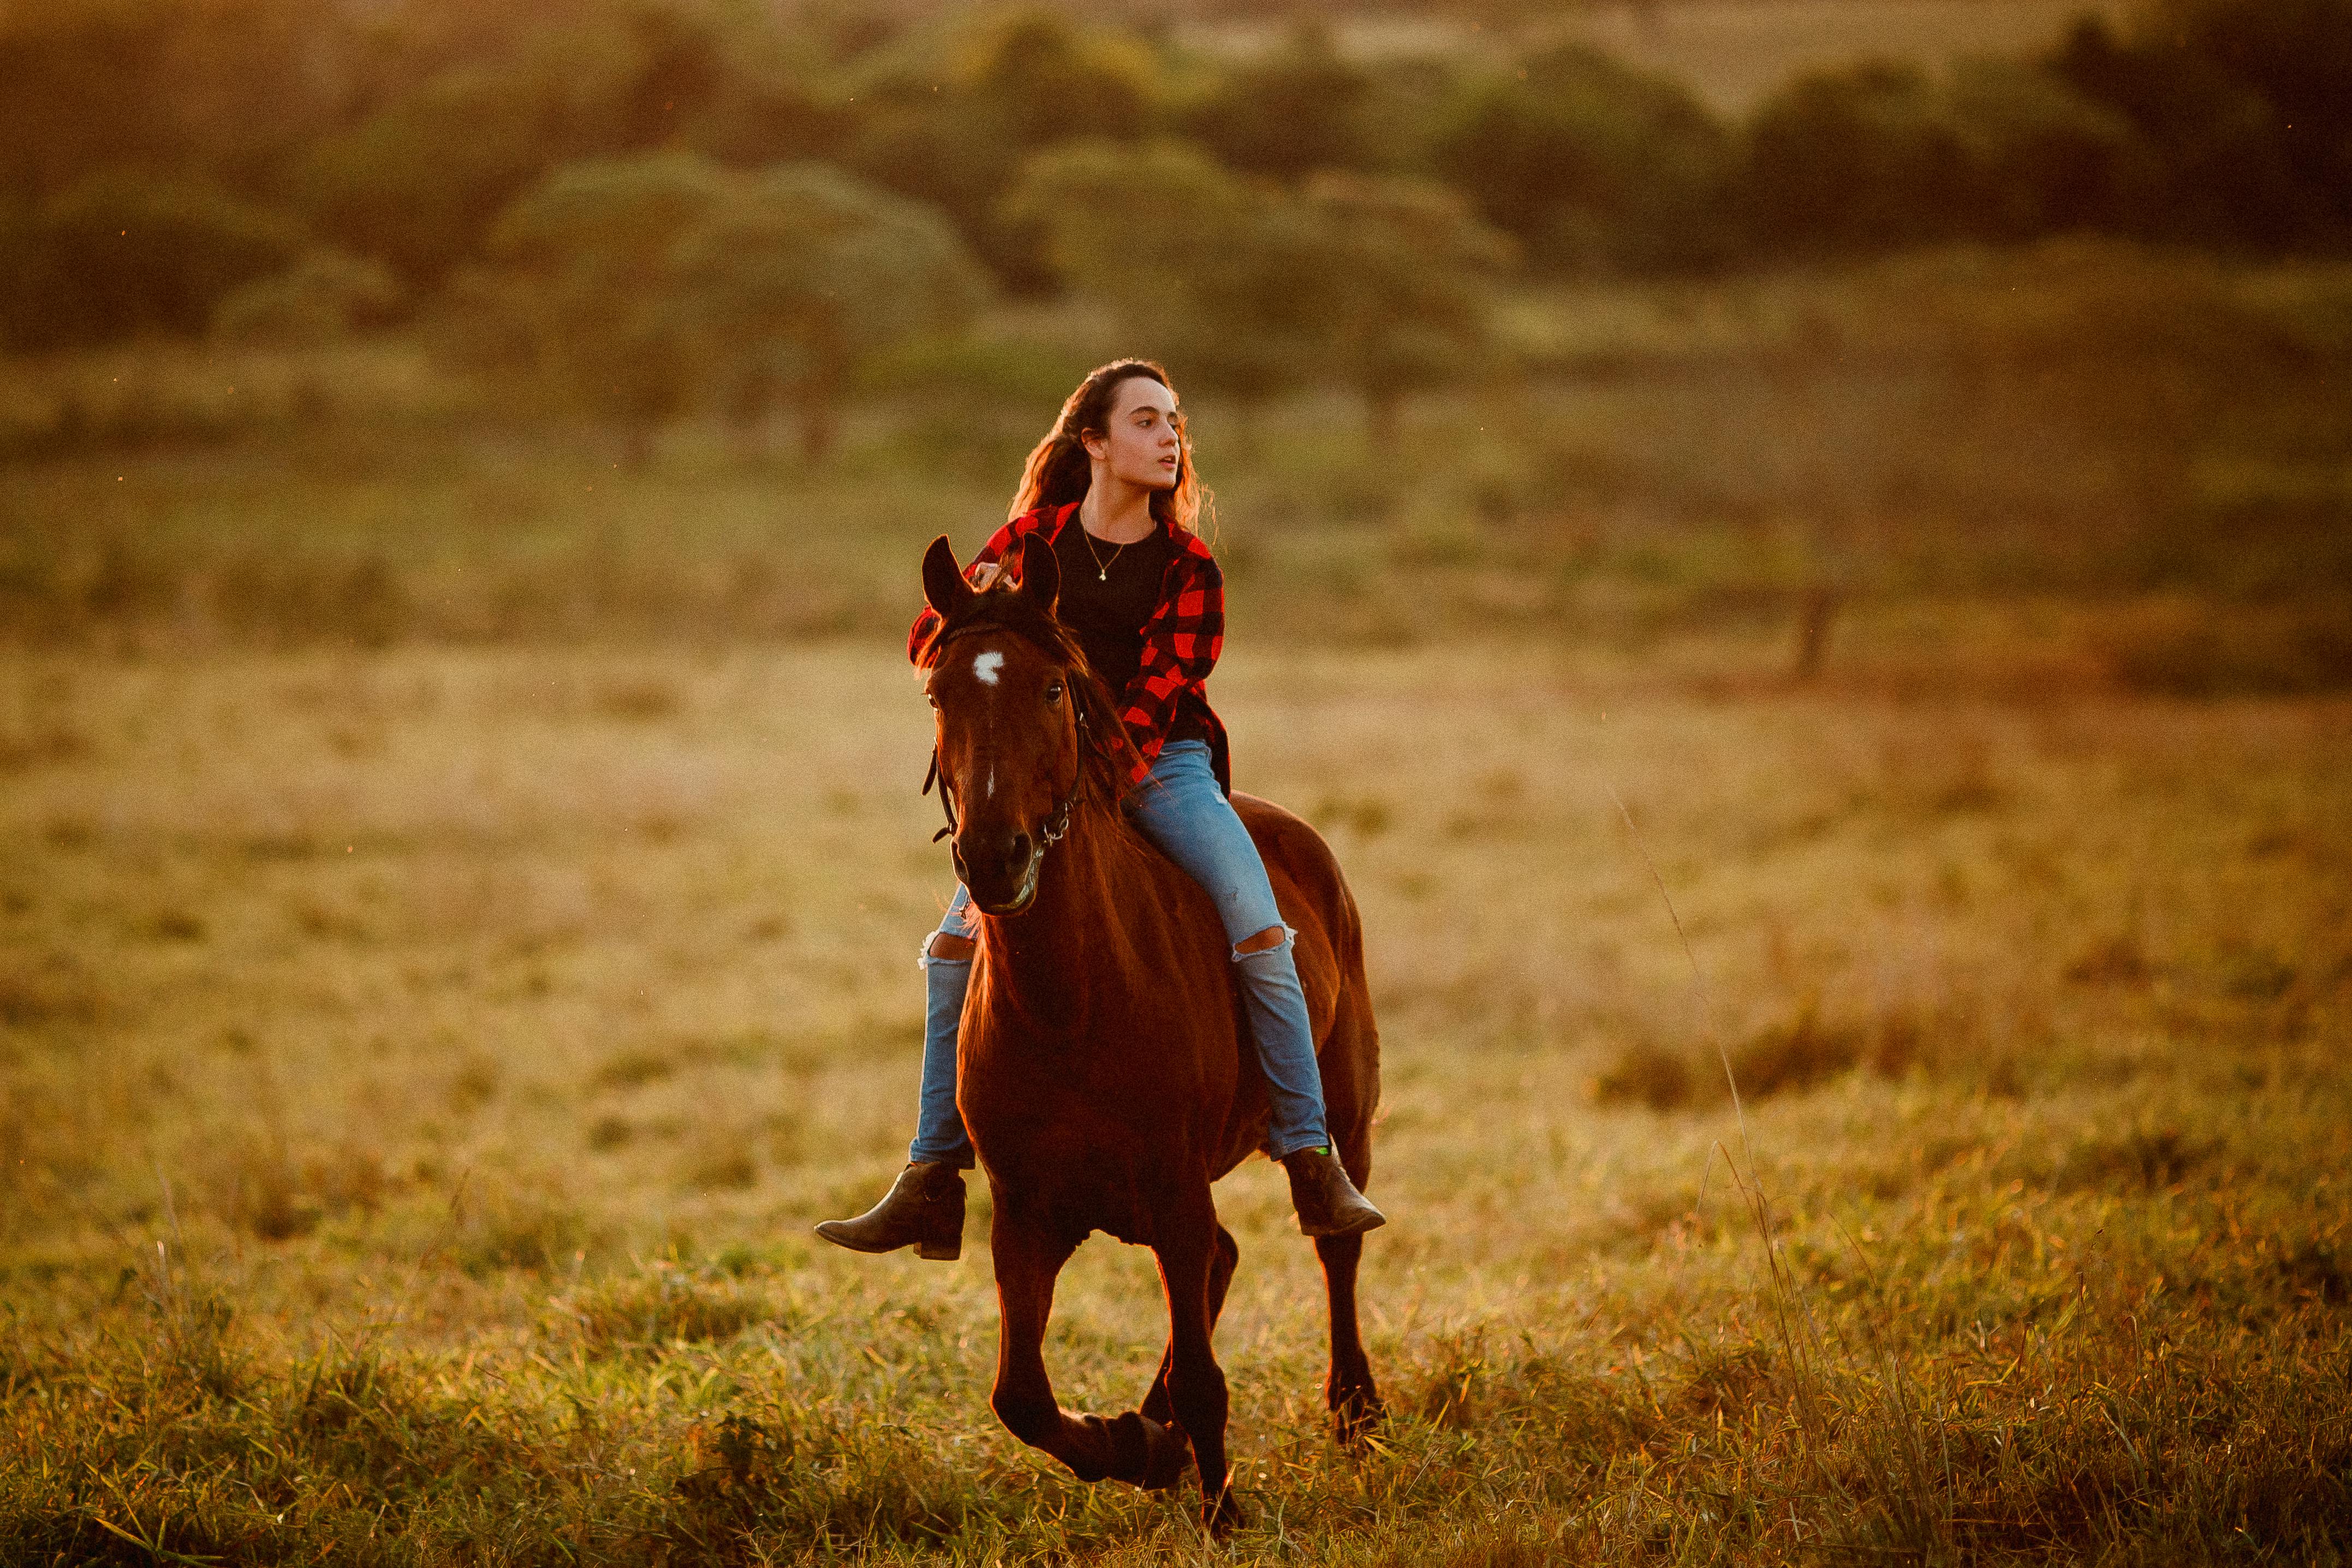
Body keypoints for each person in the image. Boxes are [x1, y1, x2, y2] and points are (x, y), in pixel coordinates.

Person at [817, 359, 1386, 1260]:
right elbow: (935, 639)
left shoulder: (1188, 567)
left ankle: (1308, 1151)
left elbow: (1158, 698)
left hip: (1164, 766)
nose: (1169, 439)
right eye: (1147, 422)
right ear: (1095, 442)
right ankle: (931, 1174)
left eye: (1174, 425)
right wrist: (977, 619)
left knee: (1259, 923)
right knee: (952, 948)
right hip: (1052, 777)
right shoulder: (1028, 537)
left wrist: (1085, 783)